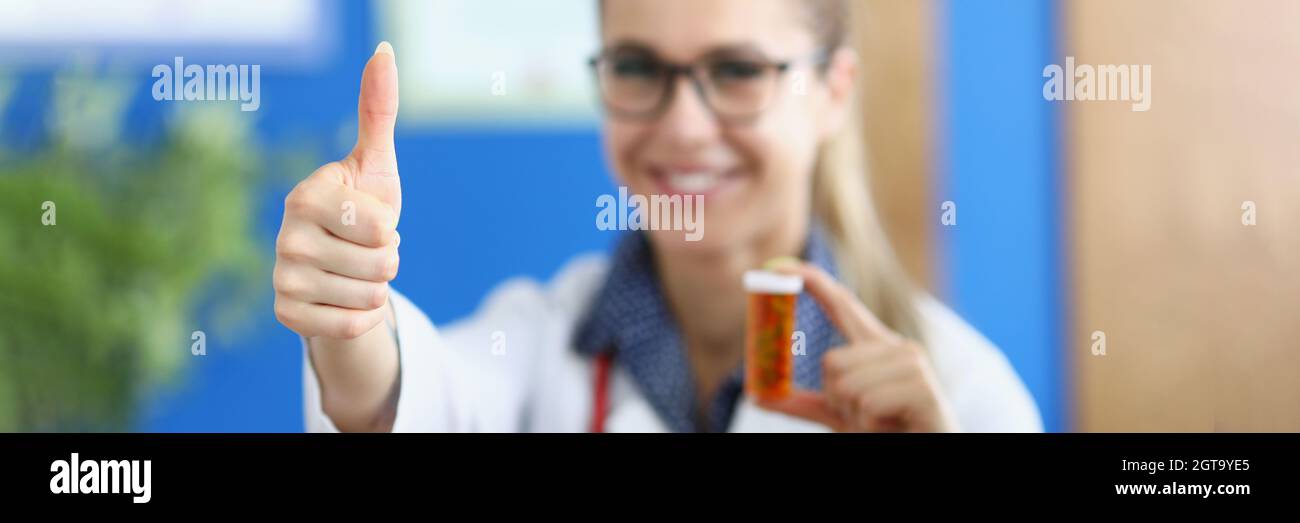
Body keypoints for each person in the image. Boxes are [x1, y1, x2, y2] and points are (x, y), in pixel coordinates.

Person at [273, 0, 1042, 433]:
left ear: (833, 92)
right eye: (638, 68)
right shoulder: (538, 342)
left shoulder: (966, 398)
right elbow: (400, 403)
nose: (682, 127)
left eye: (738, 71)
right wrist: (351, 317)